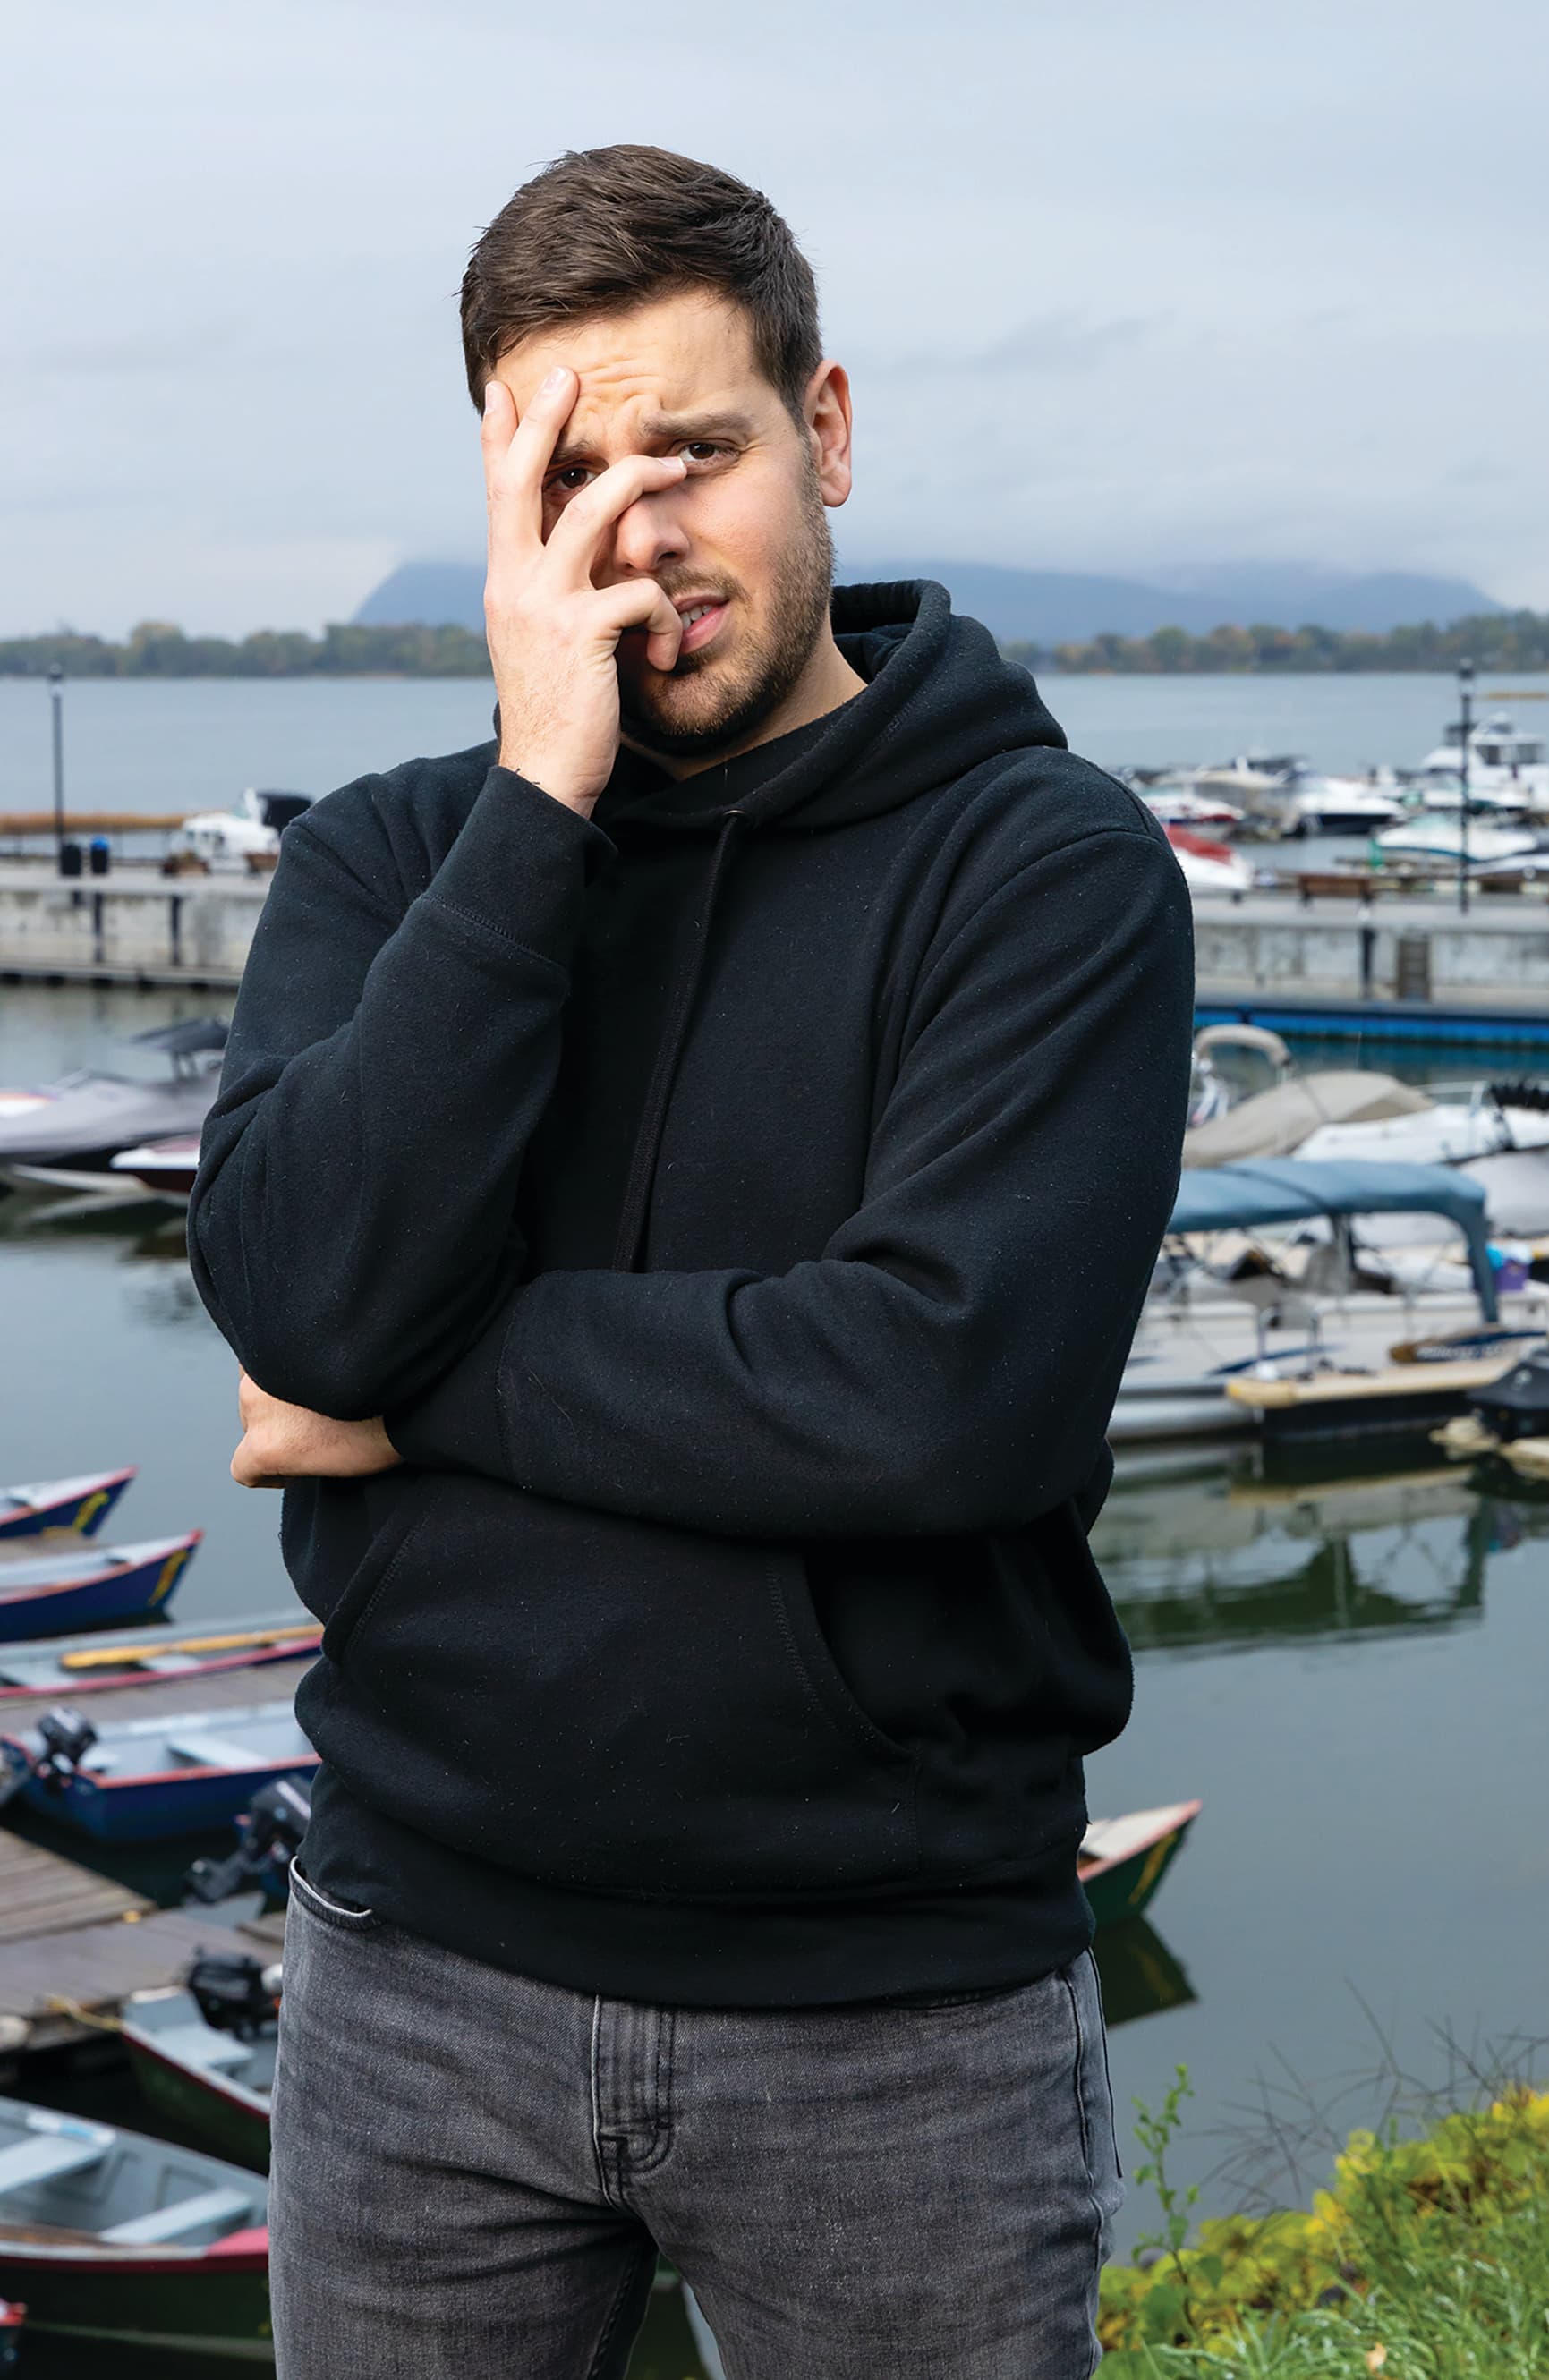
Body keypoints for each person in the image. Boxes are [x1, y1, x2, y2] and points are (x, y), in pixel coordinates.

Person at [190, 142, 1194, 2380]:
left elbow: (933, 1395)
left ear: (822, 434)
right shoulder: (389, 860)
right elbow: (302, 1296)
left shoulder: (1044, 871)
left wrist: (417, 1390)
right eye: (567, 474)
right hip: (414, 1985)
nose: (635, 528)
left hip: (893, 2024)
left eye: (694, 448)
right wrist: (536, 804)